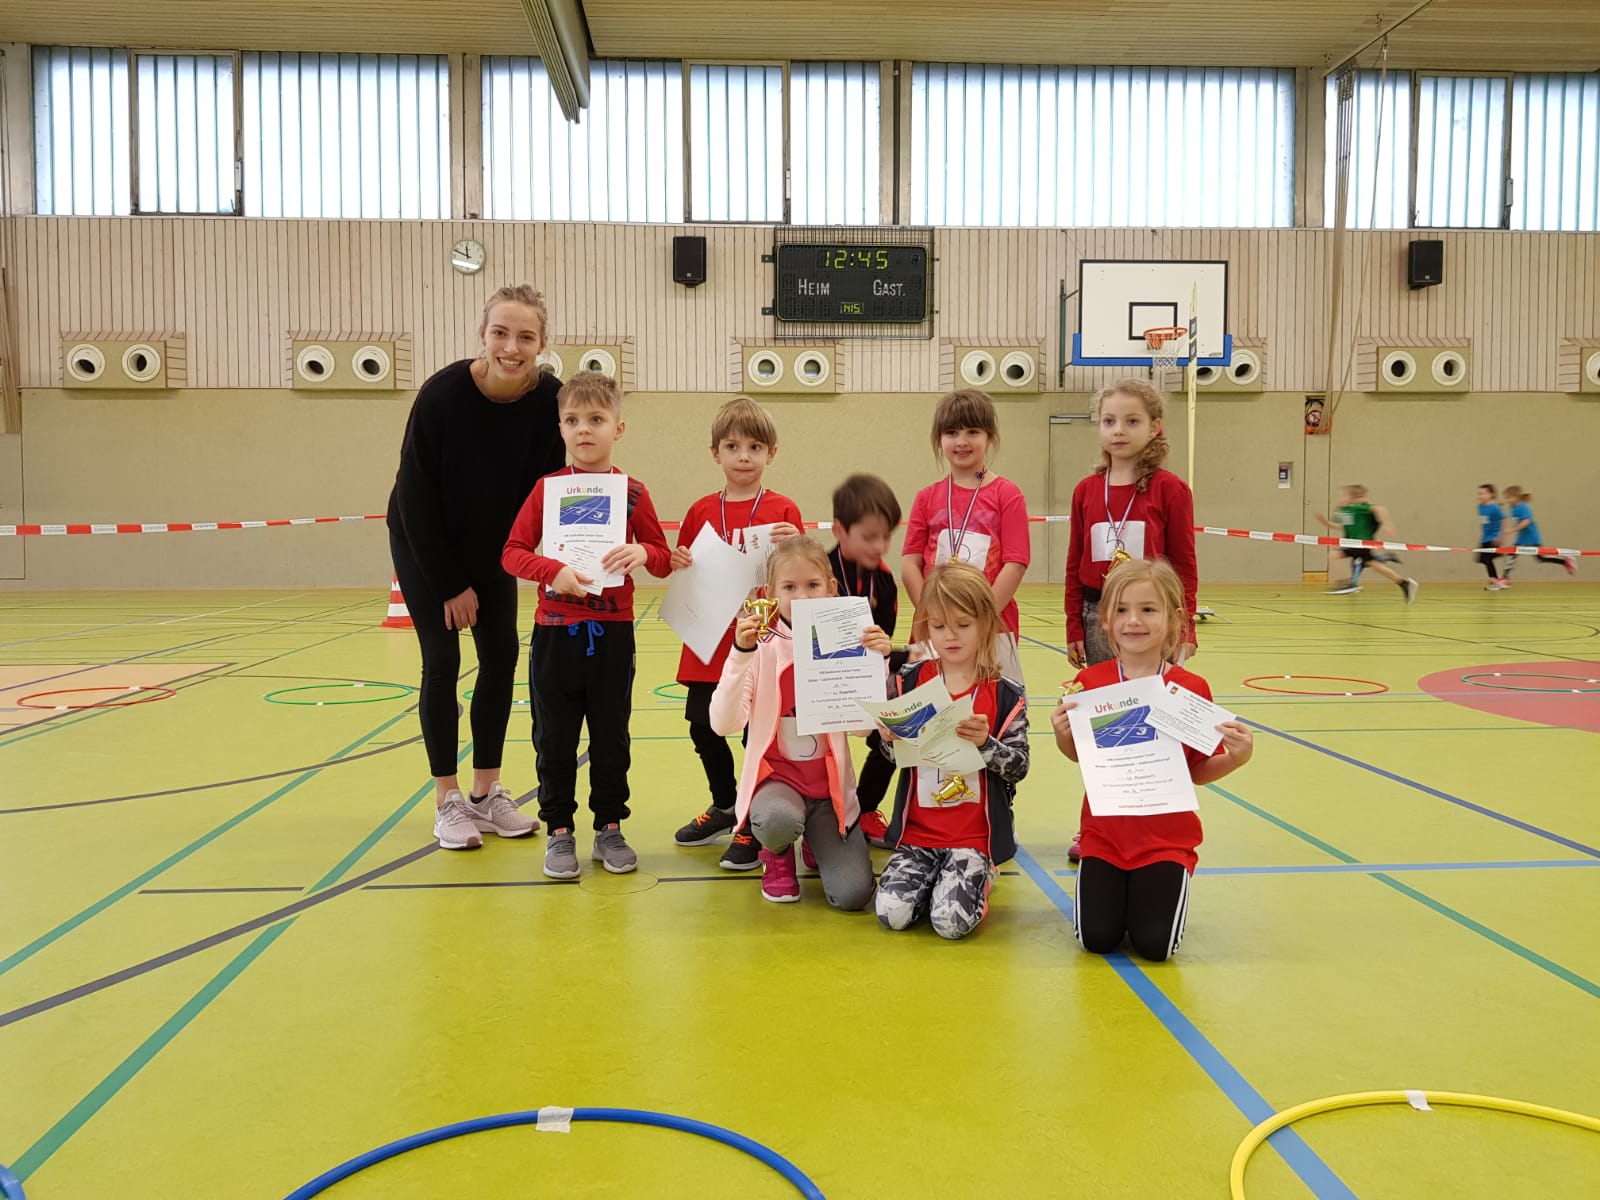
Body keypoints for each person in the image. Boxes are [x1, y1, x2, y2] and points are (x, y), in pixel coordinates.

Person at [387, 284, 564, 851]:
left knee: (502, 656)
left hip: (495, 548)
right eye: (500, 333)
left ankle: (487, 793)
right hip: (426, 543)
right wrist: (449, 585)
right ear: (482, 335)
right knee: (442, 660)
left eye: (525, 336)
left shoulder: (550, 400)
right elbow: (415, 497)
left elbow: (549, 491)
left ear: (542, 342)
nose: (512, 347)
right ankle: (448, 801)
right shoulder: (442, 395)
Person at [501, 373, 671, 880]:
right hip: (555, 633)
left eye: (596, 420)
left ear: (618, 428)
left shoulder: (633, 494)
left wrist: (642, 551)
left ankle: (610, 826)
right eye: (573, 420)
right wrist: (553, 571)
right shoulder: (546, 490)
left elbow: (663, 560)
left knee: (611, 737)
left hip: (613, 635)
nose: (584, 430)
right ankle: (559, 831)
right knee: (553, 737)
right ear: (560, 427)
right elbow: (512, 553)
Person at [1051, 559, 1253, 961]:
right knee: (1096, 938)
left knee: (1155, 946)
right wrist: (1063, 736)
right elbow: (1082, 757)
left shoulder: (1189, 688)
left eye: (1148, 609)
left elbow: (1197, 771)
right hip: (1103, 838)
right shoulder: (1091, 684)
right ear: (1105, 620)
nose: (1134, 621)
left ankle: (1161, 885)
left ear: (1174, 618)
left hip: (1165, 842)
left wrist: (1237, 758)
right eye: (1122, 610)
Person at [708, 536, 886, 909]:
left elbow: (862, 729)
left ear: (831, 588)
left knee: (853, 896)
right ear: (769, 593)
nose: (802, 597)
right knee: (777, 820)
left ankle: (816, 844)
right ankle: (777, 853)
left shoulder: (848, 640)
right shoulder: (760, 645)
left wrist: (876, 662)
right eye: (789, 587)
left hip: (828, 796)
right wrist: (740, 655)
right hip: (777, 787)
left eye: (812, 585)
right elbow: (723, 725)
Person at [1062, 378, 1199, 862]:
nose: (1119, 430)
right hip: (1101, 616)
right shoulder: (1085, 490)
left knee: (1147, 728)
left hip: (1150, 622)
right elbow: (1075, 560)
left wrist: (1186, 627)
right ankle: (1096, 825)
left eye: (1132, 421)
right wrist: (1074, 625)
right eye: (1109, 421)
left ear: (1155, 427)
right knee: (1101, 729)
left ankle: (1145, 816)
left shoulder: (1170, 489)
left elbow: (1184, 563)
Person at [668, 398, 804, 871]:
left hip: (763, 641)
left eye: (754, 447)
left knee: (756, 735)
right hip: (708, 638)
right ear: (715, 454)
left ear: (772, 453)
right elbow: (679, 564)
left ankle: (750, 821)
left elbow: (802, 574)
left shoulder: (783, 508)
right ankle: (726, 804)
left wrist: (793, 543)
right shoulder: (701, 509)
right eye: (732, 446)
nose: (743, 456)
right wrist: (675, 560)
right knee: (703, 727)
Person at [874, 563, 1029, 940]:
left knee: (950, 924)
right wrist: (888, 740)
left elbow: (1018, 766)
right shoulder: (907, 682)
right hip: (919, 834)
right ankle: (933, 877)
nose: (951, 636)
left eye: (963, 624)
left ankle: (979, 874)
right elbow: (894, 760)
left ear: (986, 624)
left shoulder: (1006, 693)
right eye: (940, 626)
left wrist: (986, 744)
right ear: (927, 628)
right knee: (892, 914)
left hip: (973, 837)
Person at [902, 389, 1030, 685]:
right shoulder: (926, 497)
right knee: (931, 712)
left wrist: (982, 619)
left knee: (994, 710)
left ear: (990, 436)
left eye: (972, 431)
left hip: (992, 628)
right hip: (934, 628)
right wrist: (931, 615)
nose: (961, 441)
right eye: (951, 432)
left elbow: (1016, 562)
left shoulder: (1006, 494)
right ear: (939, 440)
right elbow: (910, 562)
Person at [828, 473, 907, 849]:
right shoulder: (818, 572)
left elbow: (885, 650)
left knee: (892, 735)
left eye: (887, 537)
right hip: (821, 683)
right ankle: (822, 813)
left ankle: (867, 806)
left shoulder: (887, 583)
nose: (881, 546)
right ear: (840, 530)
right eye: (870, 536)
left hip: (868, 679)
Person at [1315, 484, 1419, 602]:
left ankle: (1345, 583)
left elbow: (1379, 508)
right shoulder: (1345, 510)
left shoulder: (1359, 507)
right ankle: (1404, 584)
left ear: (1353, 497)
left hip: (1361, 543)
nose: (1341, 498)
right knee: (1374, 565)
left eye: (1344, 495)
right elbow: (1340, 525)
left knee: (1334, 555)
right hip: (1351, 543)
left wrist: (1387, 523)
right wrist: (1325, 523)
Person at [1501, 486, 1577, 578]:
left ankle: (1565, 559)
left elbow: (1526, 522)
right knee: (1512, 555)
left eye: (1508, 498)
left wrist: (1512, 530)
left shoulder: (1524, 507)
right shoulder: (1513, 508)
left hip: (1532, 538)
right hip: (1521, 539)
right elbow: (1517, 521)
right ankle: (1505, 579)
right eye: (1506, 498)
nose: (1507, 500)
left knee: (1541, 558)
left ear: (1516, 497)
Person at [1476, 484, 1509, 591]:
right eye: (1479, 494)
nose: (1480, 496)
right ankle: (1497, 580)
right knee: (1483, 559)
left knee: (1487, 559)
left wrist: (1500, 536)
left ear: (1491, 494)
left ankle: (1497, 581)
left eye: (1483, 493)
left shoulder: (1495, 508)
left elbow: (1503, 521)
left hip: (1493, 538)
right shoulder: (1480, 507)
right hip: (1485, 538)